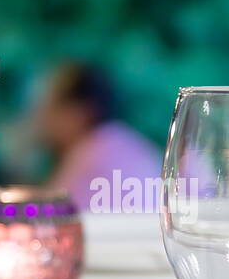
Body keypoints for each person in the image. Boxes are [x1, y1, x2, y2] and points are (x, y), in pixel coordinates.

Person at [34, 63, 162, 212]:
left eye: (49, 105)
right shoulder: (124, 142)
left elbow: (44, 216)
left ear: (78, 112)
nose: (41, 117)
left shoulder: (90, 153)